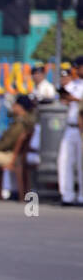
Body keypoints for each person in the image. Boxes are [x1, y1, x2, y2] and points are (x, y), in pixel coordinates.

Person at [0, 95, 36, 199]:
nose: (13, 107)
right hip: (11, 154)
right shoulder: (22, 121)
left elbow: (8, 142)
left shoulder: (20, 123)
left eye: (15, 105)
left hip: (11, 156)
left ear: (20, 107)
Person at [56, 60, 82, 205]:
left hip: (81, 129)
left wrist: (75, 99)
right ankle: (67, 195)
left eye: (78, 68)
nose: (76, 70)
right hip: (70, 127)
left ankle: (81, 196)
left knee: (81, 163)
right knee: (65, 160)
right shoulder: (74, 85)